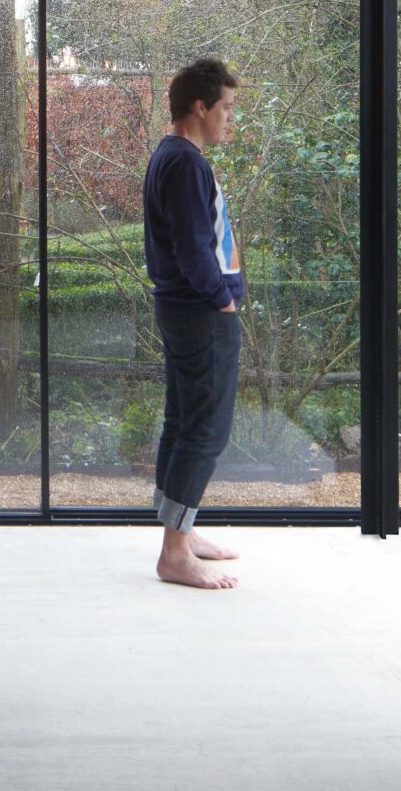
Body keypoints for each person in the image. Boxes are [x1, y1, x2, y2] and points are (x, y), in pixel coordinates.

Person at [141, 57, 245, 590]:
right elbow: (192, 247)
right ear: (199, 107)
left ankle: (181, 529)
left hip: (186, 311)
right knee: (204, 429)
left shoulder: (173, 156)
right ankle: (175, 553)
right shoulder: (185, 162)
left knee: (183, 424)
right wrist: (222, 301)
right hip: (201, 313)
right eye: (225, 107)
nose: (230, 118)